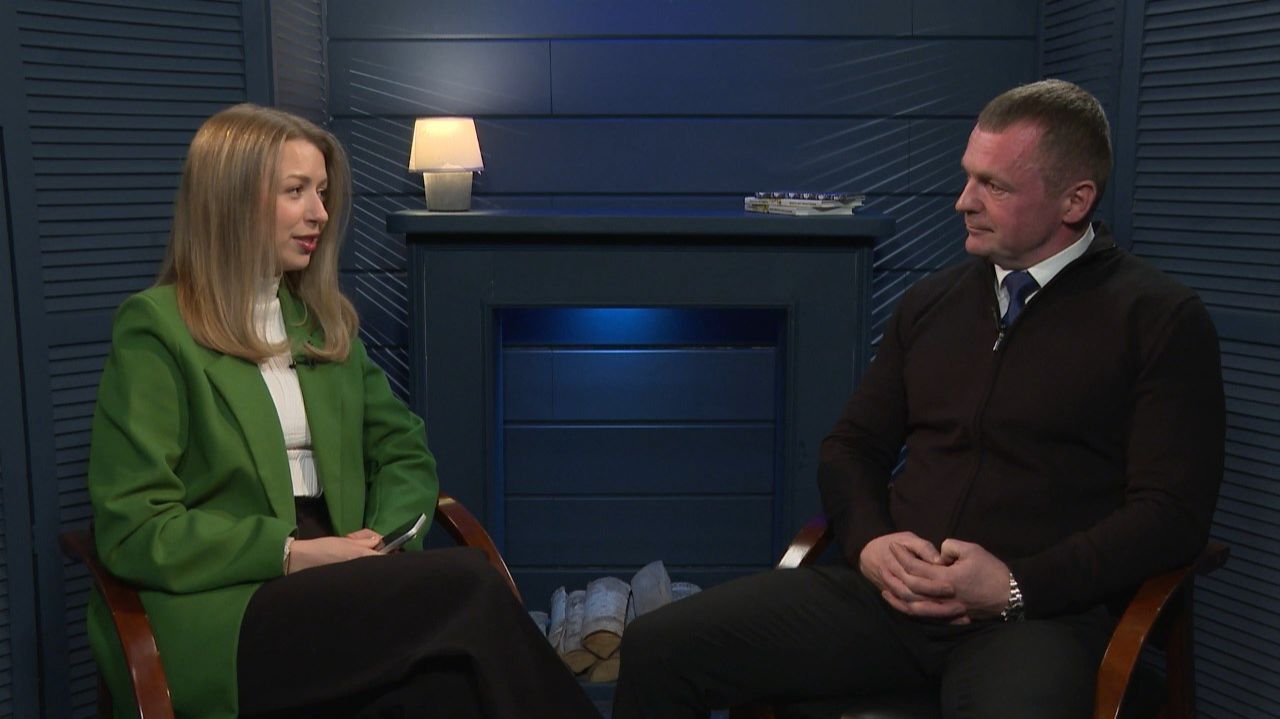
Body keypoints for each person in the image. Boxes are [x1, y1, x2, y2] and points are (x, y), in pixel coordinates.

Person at [612, 79, 1225, 719]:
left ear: (1075, 200)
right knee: (660, 646)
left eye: (994, 186)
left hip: (1037, 619)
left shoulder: (1158, 319)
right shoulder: (934, 302)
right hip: (889, 600)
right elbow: (851, 447)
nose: (964, 201)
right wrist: (871, 544)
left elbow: (1171, 515)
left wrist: (1016, 586)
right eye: (968, 177)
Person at [86, 104, 600, 719]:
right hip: (230, 604)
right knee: (469, 583)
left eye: (323, 192)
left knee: (447, 688)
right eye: (296, 191)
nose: (320, 215)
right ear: (232, 201)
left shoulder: (321, 325)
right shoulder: (157, 329)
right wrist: (290, 553)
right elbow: (134, 530)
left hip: (343, 574)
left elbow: (403, 452)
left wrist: (379, 543)